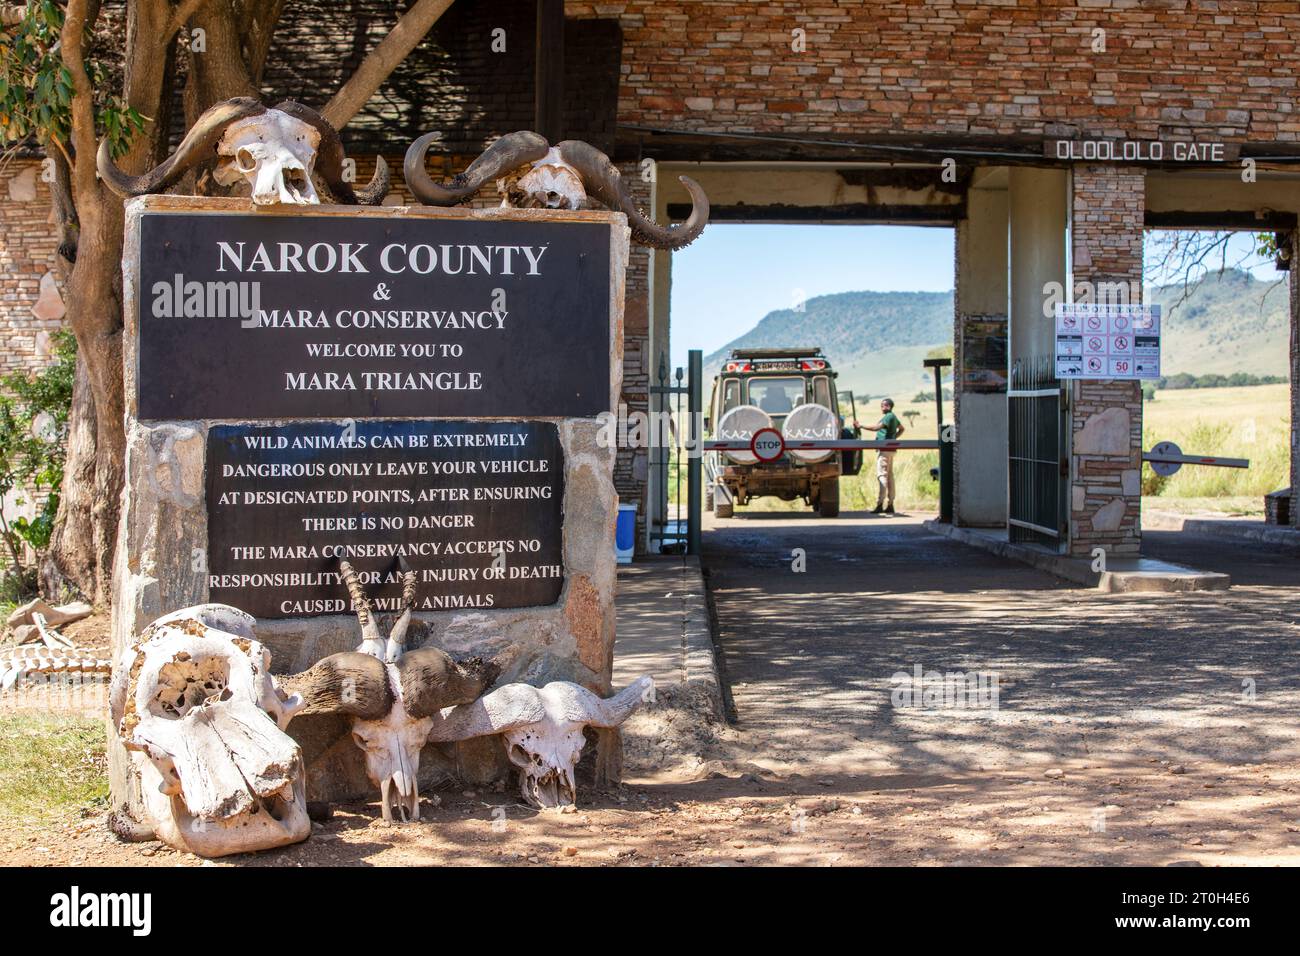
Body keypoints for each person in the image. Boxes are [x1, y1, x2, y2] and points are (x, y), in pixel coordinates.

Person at [868, 398, 904, 514]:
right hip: (891, 449)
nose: (882, 407)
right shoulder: (893, 417)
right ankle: (890, 504)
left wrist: (861, 426)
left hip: (884, 449)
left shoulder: (888, 416)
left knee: (882, 475)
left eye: (883, 405)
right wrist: (893, 438)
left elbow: (876, 428)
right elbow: (902, 429)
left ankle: (880, 503)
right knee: (890, 476)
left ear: (888, 406)